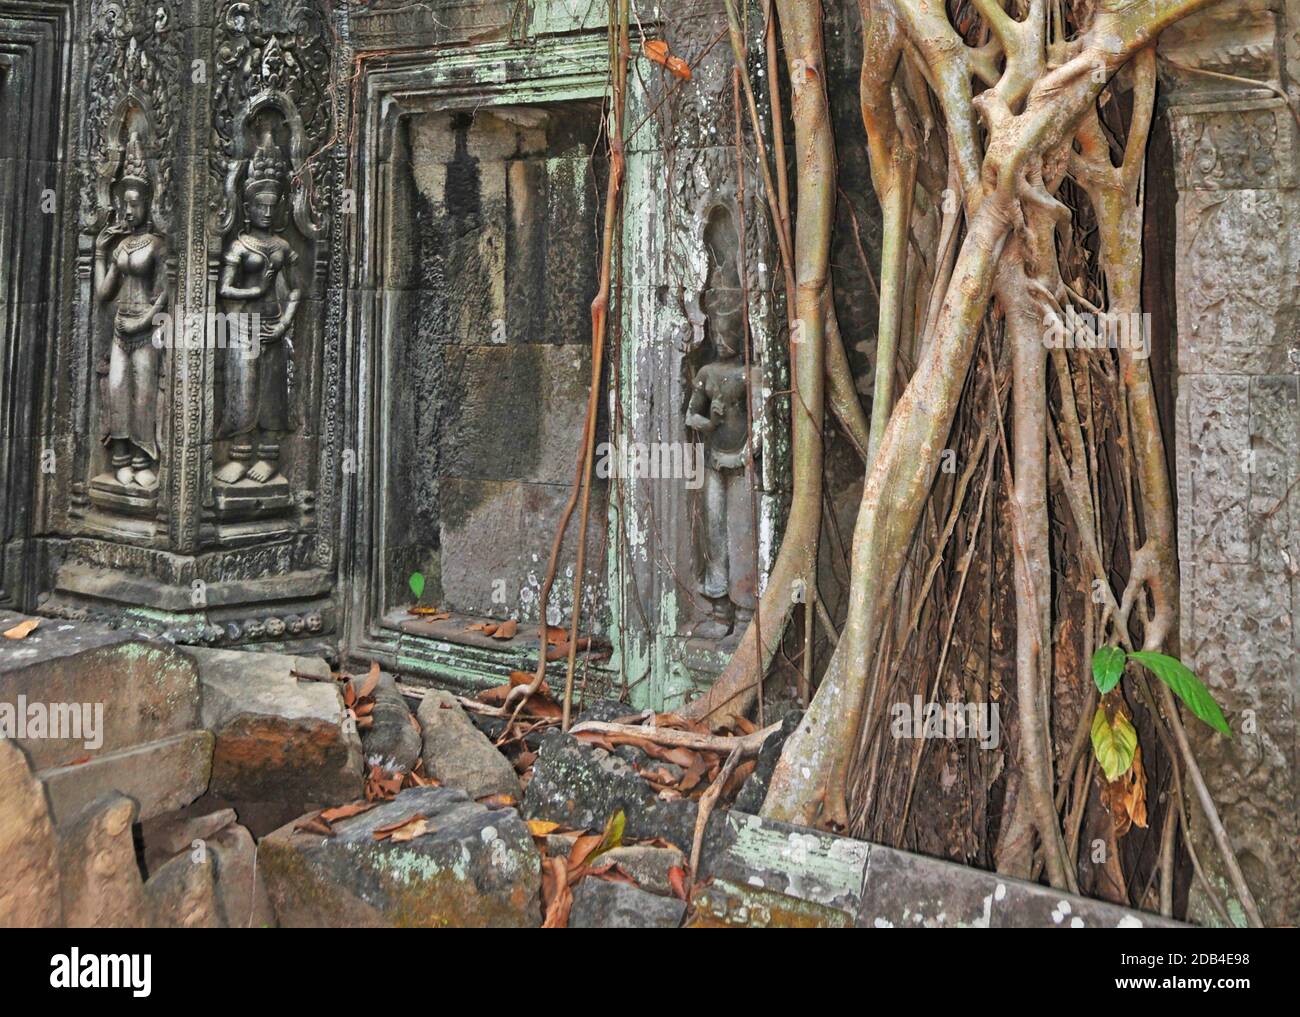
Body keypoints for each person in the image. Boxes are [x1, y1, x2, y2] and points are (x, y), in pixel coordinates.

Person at [94, 132, 167, 489]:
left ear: (148, 204)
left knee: (144, 396)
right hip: (121, 329)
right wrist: (99, 252)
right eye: (124, 202)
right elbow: (104, 293)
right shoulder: (121, 247)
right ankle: (120, 458)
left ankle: (143, 458)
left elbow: (166, 294)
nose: (127, 209)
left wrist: (145, 320)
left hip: (145, 330)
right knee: (118, 389)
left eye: (134, 203)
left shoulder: (156, 245)